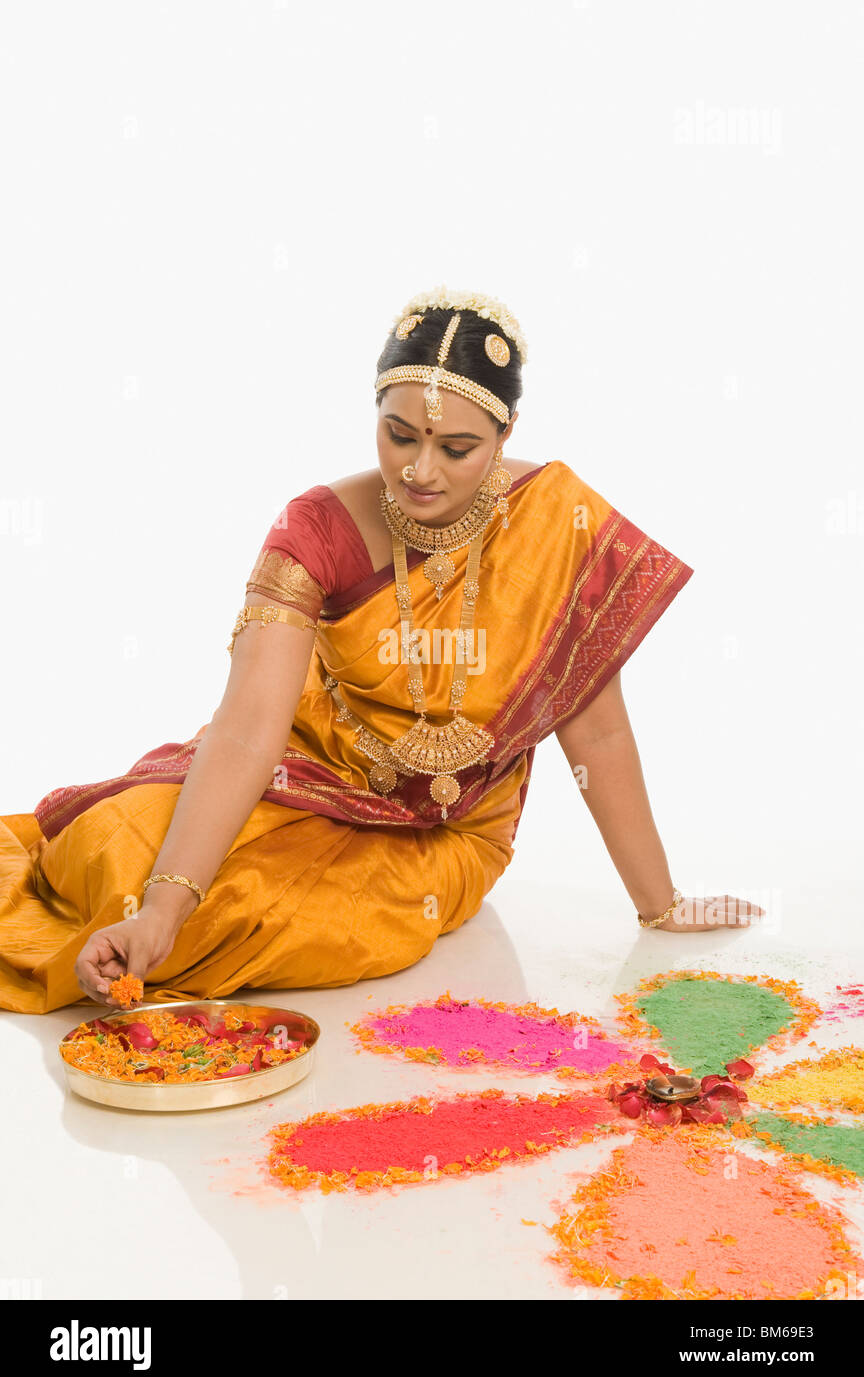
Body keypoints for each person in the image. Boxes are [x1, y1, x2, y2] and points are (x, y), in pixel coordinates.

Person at [0, 285, 762, 1014]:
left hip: (440, 825)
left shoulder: (553, 524)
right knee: (111, 852)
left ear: (507, 434)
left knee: (241, 917)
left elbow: (596, 732)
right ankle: (143, 919)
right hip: (303, 768)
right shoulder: (316, 531)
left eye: (457, 447)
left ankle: (170, 930)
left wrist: (658, 905)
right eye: (400, 435)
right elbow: (245, 734)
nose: (419, 471)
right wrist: (161, 908)